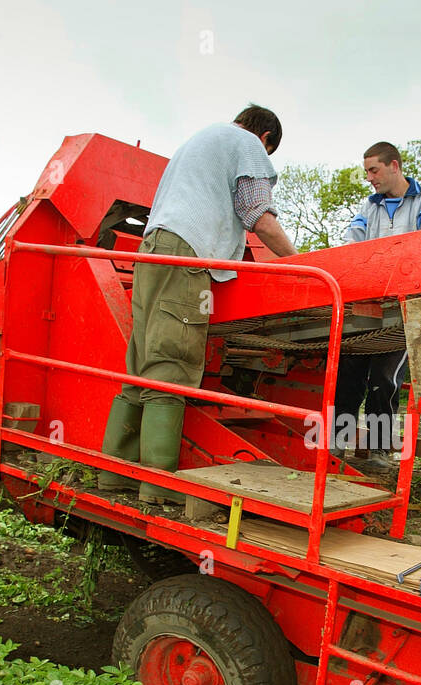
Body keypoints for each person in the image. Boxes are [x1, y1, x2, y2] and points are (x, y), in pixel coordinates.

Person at [99, 104, 298, 502]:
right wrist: (301, 264)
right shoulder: (247, 145)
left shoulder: (200, 140)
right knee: (173, 358)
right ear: (266, 139)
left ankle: (115, 472)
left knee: (142, 358)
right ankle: (158, 483)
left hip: (153, 251)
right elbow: (256, 213)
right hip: (187, 253)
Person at [334, 142, 421, 471]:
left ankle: (380, 449)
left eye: (374, 170)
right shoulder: (368, 207)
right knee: (347, 376)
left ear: (394, 166)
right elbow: (351, 249)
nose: (369, 178)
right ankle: (336, 444)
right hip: (367, 308)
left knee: (385, 379)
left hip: (405, 310)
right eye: (367, 171)